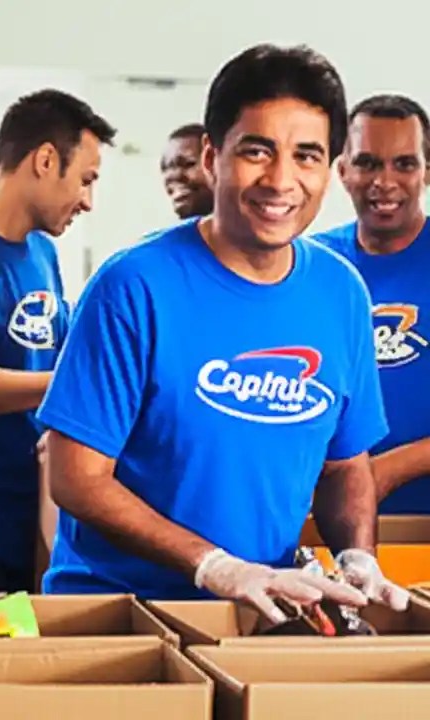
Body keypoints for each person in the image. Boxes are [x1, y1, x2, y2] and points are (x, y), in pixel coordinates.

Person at [36, 44, 410, 620]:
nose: (281, 180)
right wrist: (213, 565)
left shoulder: (341, 293)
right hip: (118, 611)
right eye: (257, 151)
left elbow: (344, 465)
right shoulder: (134, 285)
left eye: (306, 156)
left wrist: (358, 556)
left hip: (262, 612)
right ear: (212, 157)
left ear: (330, 170)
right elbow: (76, 479)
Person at [0, 89, 115, 593]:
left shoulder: (43, 253)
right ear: (46, 160)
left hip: (32, 514)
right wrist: (62, 388)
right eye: (85, 180)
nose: (88, 201)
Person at [313, 94, 430, 513]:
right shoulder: (307, 266)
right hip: (322, 525)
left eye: (404, 163)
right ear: (342, 171)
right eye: (367, 163)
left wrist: (386, 471)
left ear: (427, 171)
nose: (385, 180)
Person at [160, 123, 215, 219]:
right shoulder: (167, 234)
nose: (172, 176)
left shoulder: (247, 230)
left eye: (188, 164)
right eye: (165, 168)